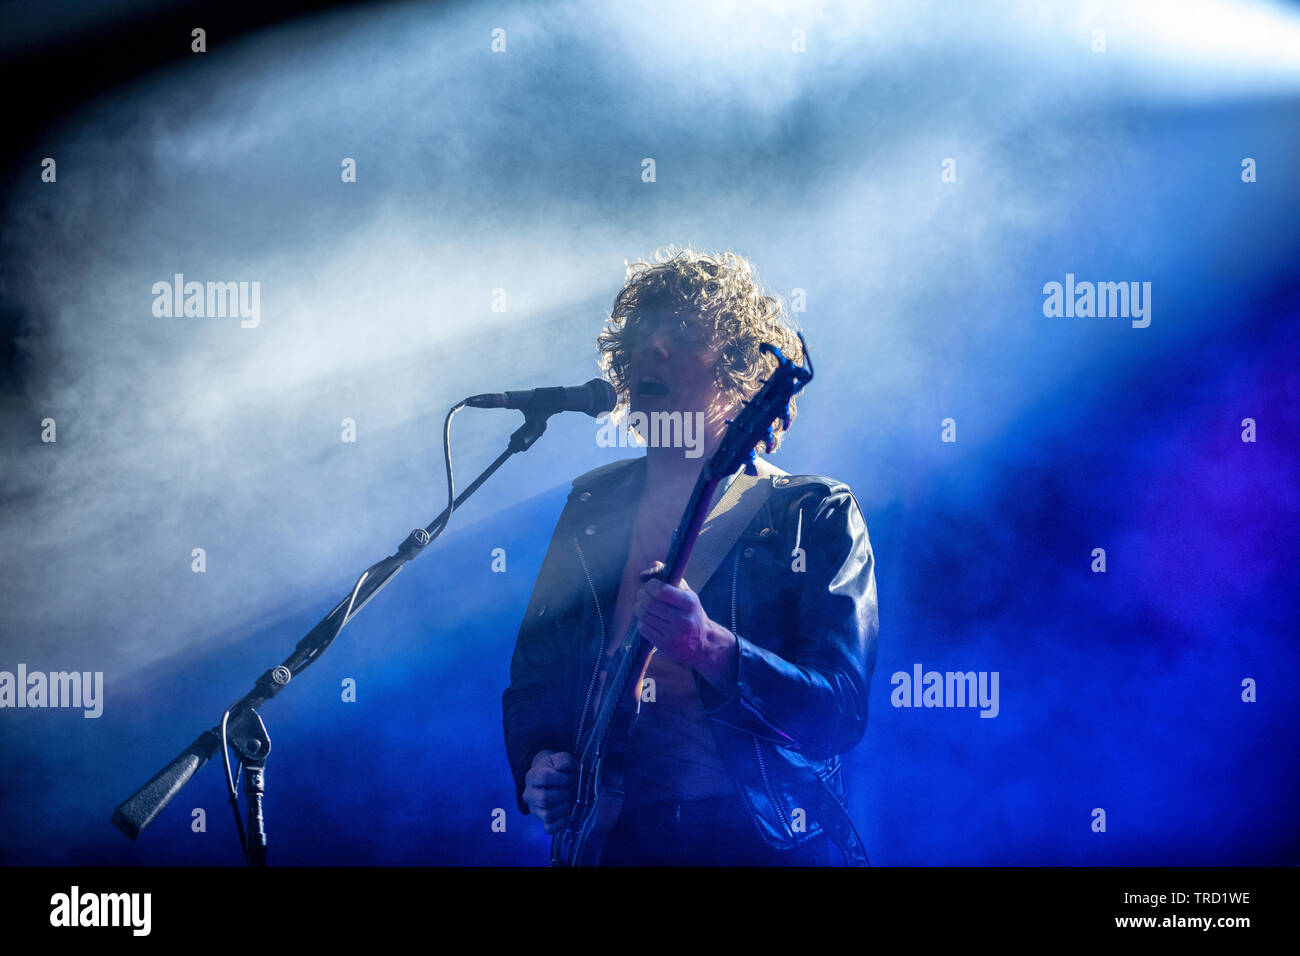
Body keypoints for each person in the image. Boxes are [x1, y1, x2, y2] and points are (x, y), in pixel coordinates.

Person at [501, 248, 879, 865]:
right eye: (640, 338)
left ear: (740, 374)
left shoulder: (810, 513)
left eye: (679, 334)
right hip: (610, 842)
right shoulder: (592, 506)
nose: (651, 351)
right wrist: (538, 762)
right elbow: (533, 680)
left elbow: (837, 712)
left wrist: (708, 645)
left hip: (751, 841)